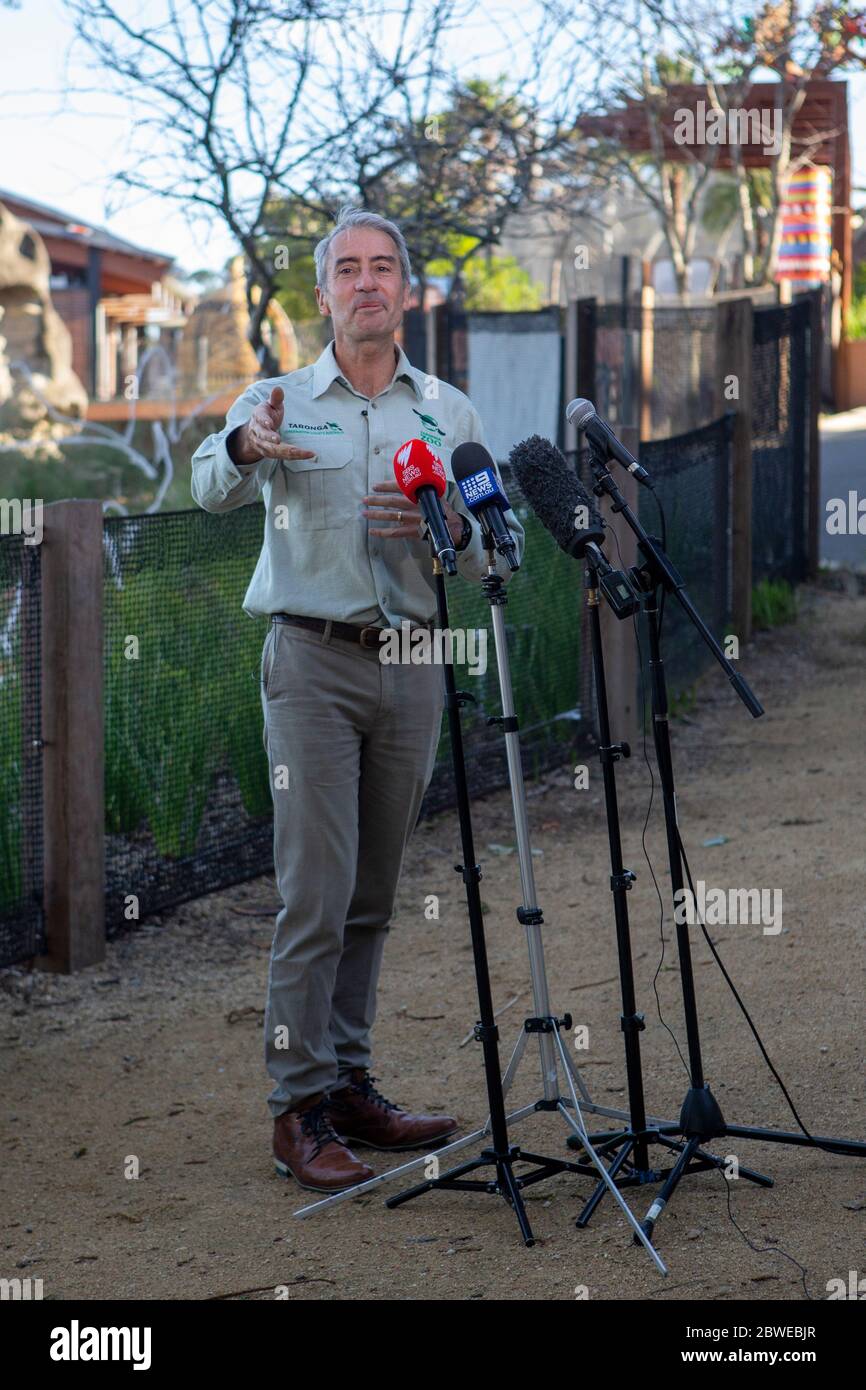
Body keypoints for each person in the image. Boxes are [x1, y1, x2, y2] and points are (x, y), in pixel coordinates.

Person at [191, 206, 524, 1192]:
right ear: (325, 290)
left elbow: (481, 552)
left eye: (385, 268)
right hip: (312, 665)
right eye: (350, 269)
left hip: (413, 665)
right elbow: (209, 478)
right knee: (315, 892)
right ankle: (295, 1109)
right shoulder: (279, 398)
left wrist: (439, 538)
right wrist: (246, 446)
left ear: (406, 290)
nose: (368, 283)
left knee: (371, 893)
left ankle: (348, 1085)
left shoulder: (449, 412)